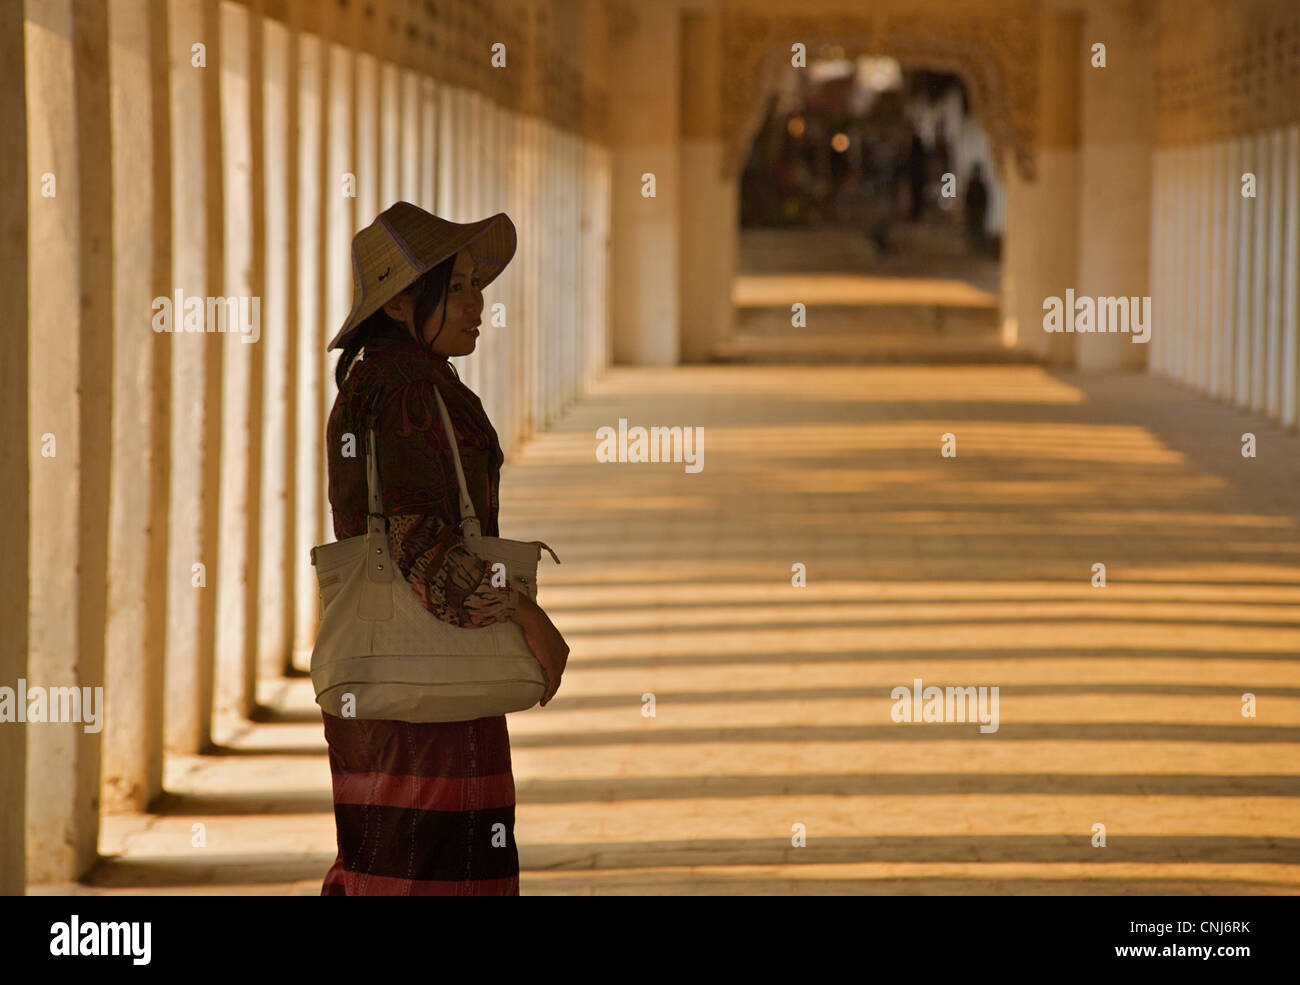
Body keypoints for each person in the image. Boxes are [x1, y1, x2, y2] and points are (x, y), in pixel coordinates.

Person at [319, 201, 570, 895]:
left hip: (393, 684)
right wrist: (525, 613)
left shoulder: (383, 380)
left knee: (387, 866)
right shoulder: (407, 390)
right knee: (438, 875)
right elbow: (422, 544)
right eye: (455, 288)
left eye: (474, 285)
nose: (477, 303)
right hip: (432, 694)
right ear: (400, 304)